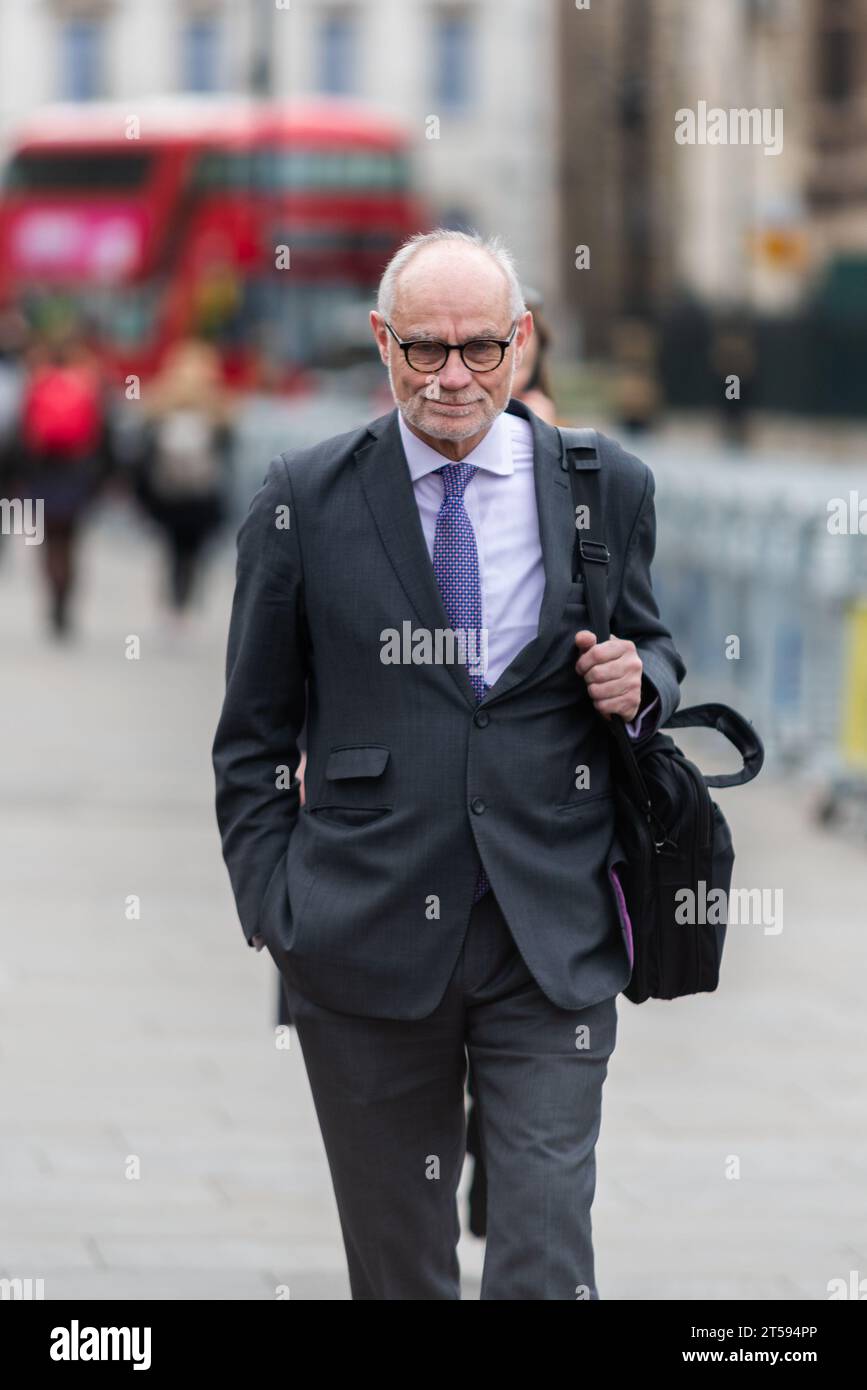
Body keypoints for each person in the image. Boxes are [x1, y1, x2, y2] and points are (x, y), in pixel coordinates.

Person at [212, 228, 685, 1300]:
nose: (456, 376)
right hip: (362, 938)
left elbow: (655, 640)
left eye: (481, 346)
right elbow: (250, 736)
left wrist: (640, 679)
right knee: (402, 1269)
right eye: (426, 350)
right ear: (384, 344)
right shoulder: (302, 499)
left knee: (545, 1252)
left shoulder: (604, 483)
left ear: (523, 343)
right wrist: (274, 904)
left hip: (548, 928)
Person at [17, 330, 113, 636]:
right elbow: (103, 439)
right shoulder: (87, 386)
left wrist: (15, 479)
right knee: (71, 541)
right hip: (76, 474)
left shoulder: (37, 385)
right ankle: (65, 598)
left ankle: (54, 594)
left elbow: (18, 438)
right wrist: (103, 480)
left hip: (43, 474)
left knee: (48, 543)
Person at [134, 339, 234, 614]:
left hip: (167, 492)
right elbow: (228, 447)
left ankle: (175, 597)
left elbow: (144, 450)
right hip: (202, 491)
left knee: (172, 546)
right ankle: (188, 597)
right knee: (196, 548)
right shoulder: (216, 404)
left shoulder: (160, 402)